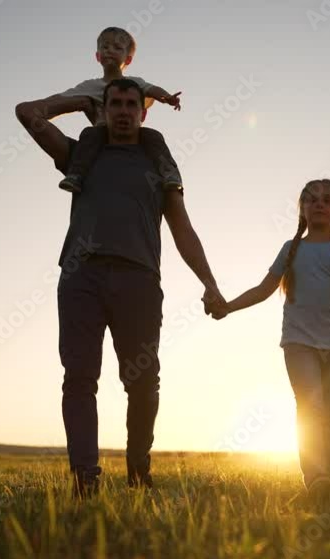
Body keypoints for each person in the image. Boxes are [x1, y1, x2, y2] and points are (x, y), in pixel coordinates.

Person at [15, 78, 226, 498]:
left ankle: (138, 471)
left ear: (144, 113)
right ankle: (84, 478)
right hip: (81, 278)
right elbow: (27, 112)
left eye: (132, 104)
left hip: (139, 280)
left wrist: (209, 282)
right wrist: (80, 102)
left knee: (144, 382)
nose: (125, 111)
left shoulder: (157, 164)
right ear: (105, 109)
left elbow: (182, 226)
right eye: (116, 104)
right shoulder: (81, 154)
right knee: (79, 378)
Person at [210, 179, 330, 496]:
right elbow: (263, 289)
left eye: (327, 200)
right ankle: (313, 476)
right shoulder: (290, 250)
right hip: (299, 343)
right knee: (310, 407)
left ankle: (325, 477)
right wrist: (228, 307)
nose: (319, 204)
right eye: (311, 200)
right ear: (302, 209)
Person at [19, 26, 183, 194]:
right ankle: (76, 175)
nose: (110, 50)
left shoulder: (135, 83)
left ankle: (170, 173)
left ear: (128, 60)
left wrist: (167, 98)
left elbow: (152, 90)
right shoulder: (90, 86)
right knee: (89, 135)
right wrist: (79, 103)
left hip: (132, 136)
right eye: (105, 47)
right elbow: (58, 100)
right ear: (97, 56)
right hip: (100, 133)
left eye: (117, 48)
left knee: (154, 136)